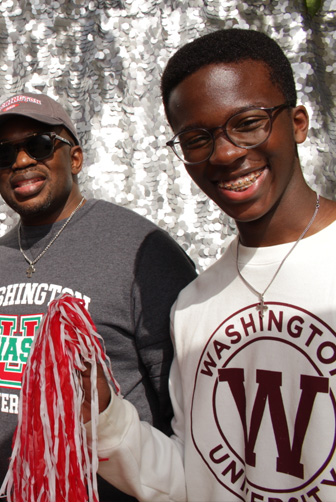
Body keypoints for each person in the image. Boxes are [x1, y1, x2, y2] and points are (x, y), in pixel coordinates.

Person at [86, 28, 336, 500]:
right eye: (197, 138)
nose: (224, 153)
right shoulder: (193, 307)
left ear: (298, 122)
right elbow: (194, 478)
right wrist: (102, 413)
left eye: (249, 122)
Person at [0, 92, 197, 500]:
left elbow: (186, 408)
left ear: (74, 158)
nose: (21, 161)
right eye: (4, 154)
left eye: (39, 145)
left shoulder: (143, 249)